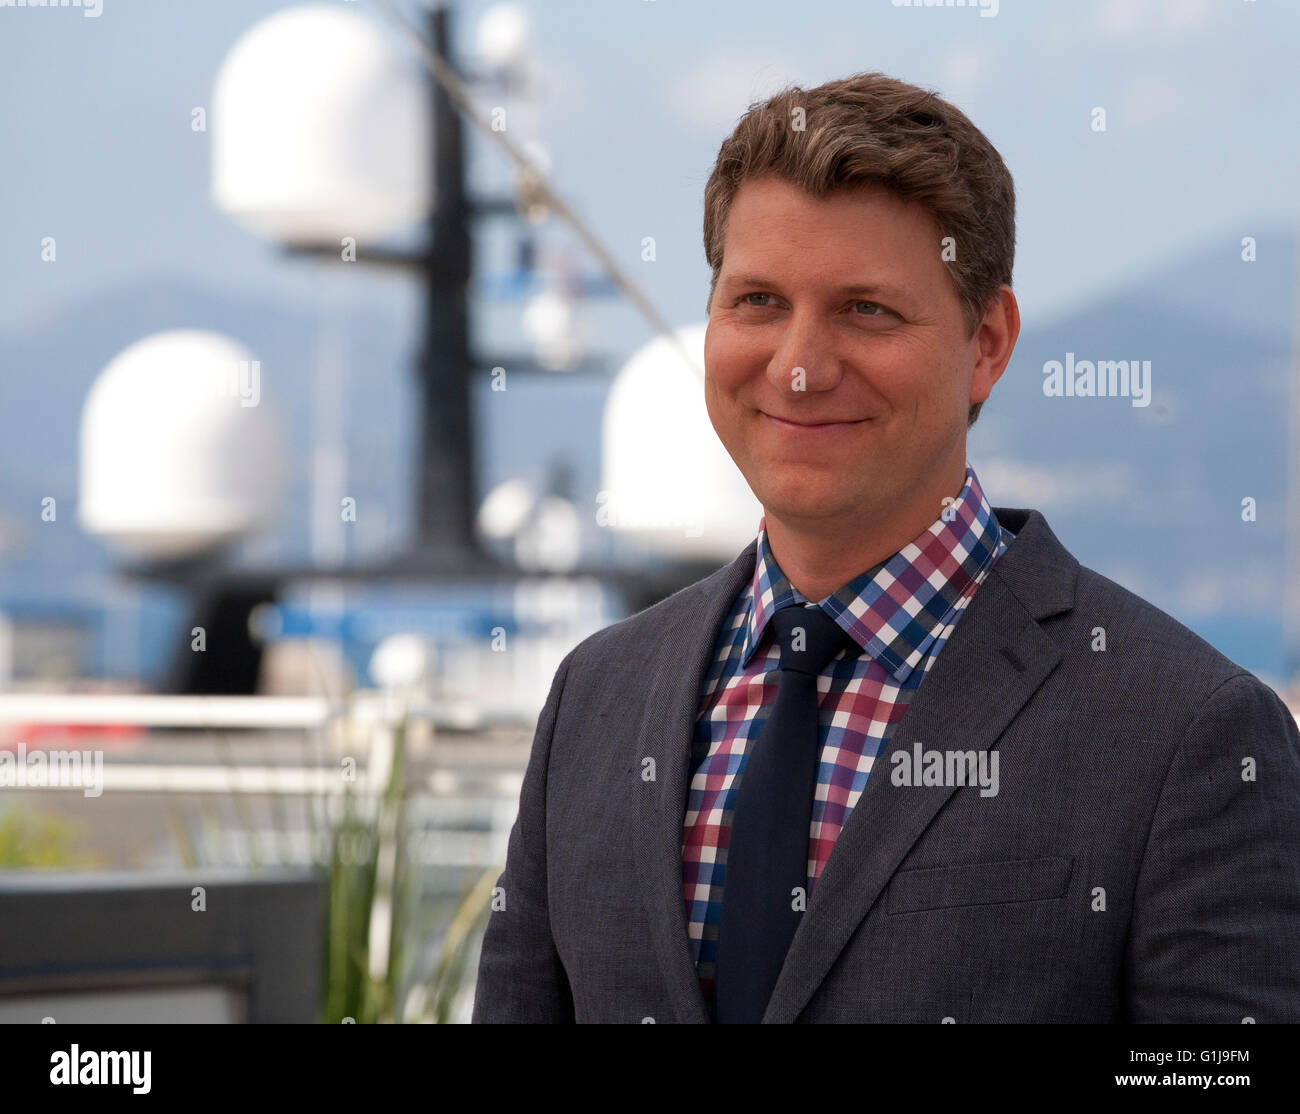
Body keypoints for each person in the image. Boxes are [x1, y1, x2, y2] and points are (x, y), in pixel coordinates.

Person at [472, 71, 1300, 1024]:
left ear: (986, 342)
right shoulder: (595, 698)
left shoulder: (1183, 732)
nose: (798, 364)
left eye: (866, 309)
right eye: (757, 301)